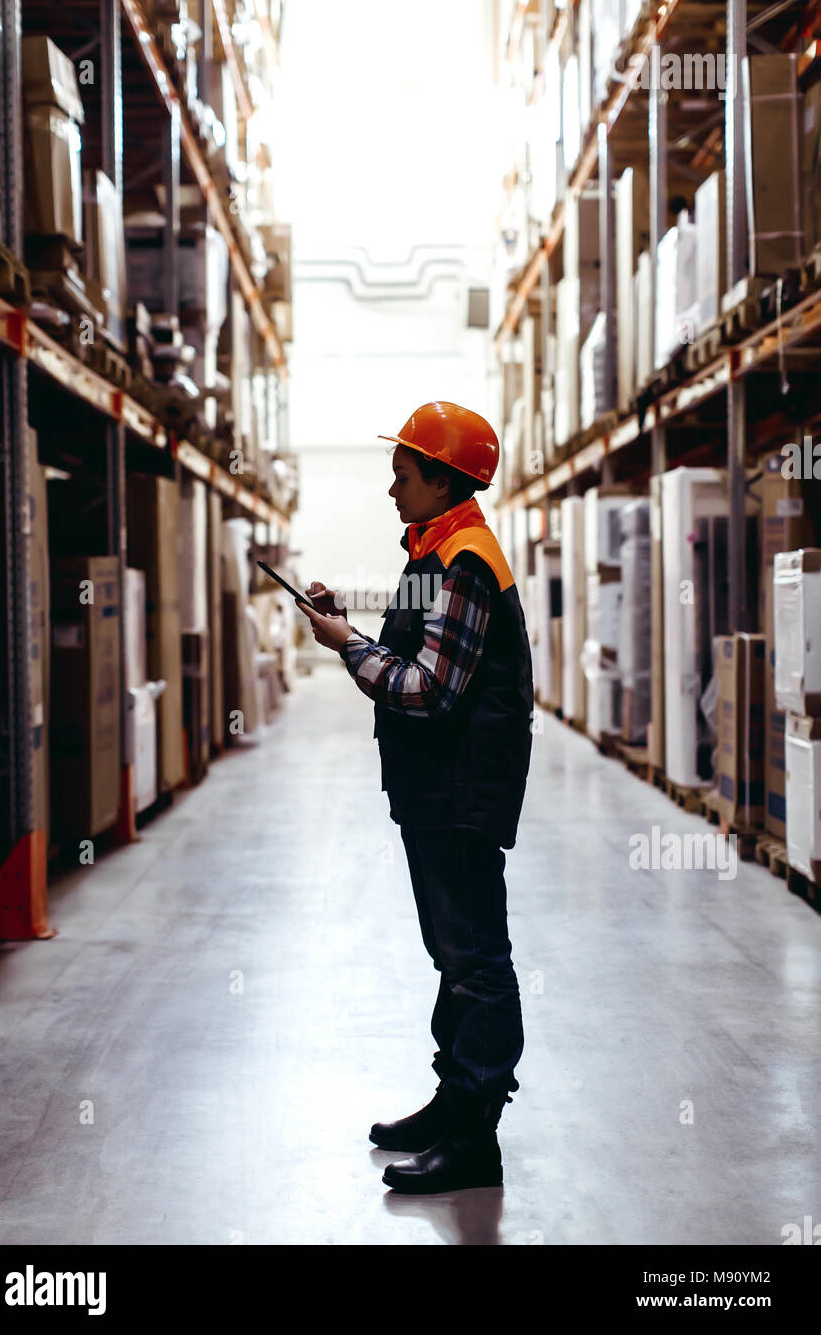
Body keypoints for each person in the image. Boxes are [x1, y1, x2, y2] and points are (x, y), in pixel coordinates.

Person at [298, 401, 534, 1196]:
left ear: (442, 480)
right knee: (452, 956)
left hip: (460, 792)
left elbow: (429, 691)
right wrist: (350, 626)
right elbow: (421, 654)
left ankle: (476, 1134)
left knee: (475, 960)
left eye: (402, 475)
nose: (390, 489)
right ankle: (452, 1101)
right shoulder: (435, 550)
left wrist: (346, 649)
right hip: (436, 789)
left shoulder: (465, 559)